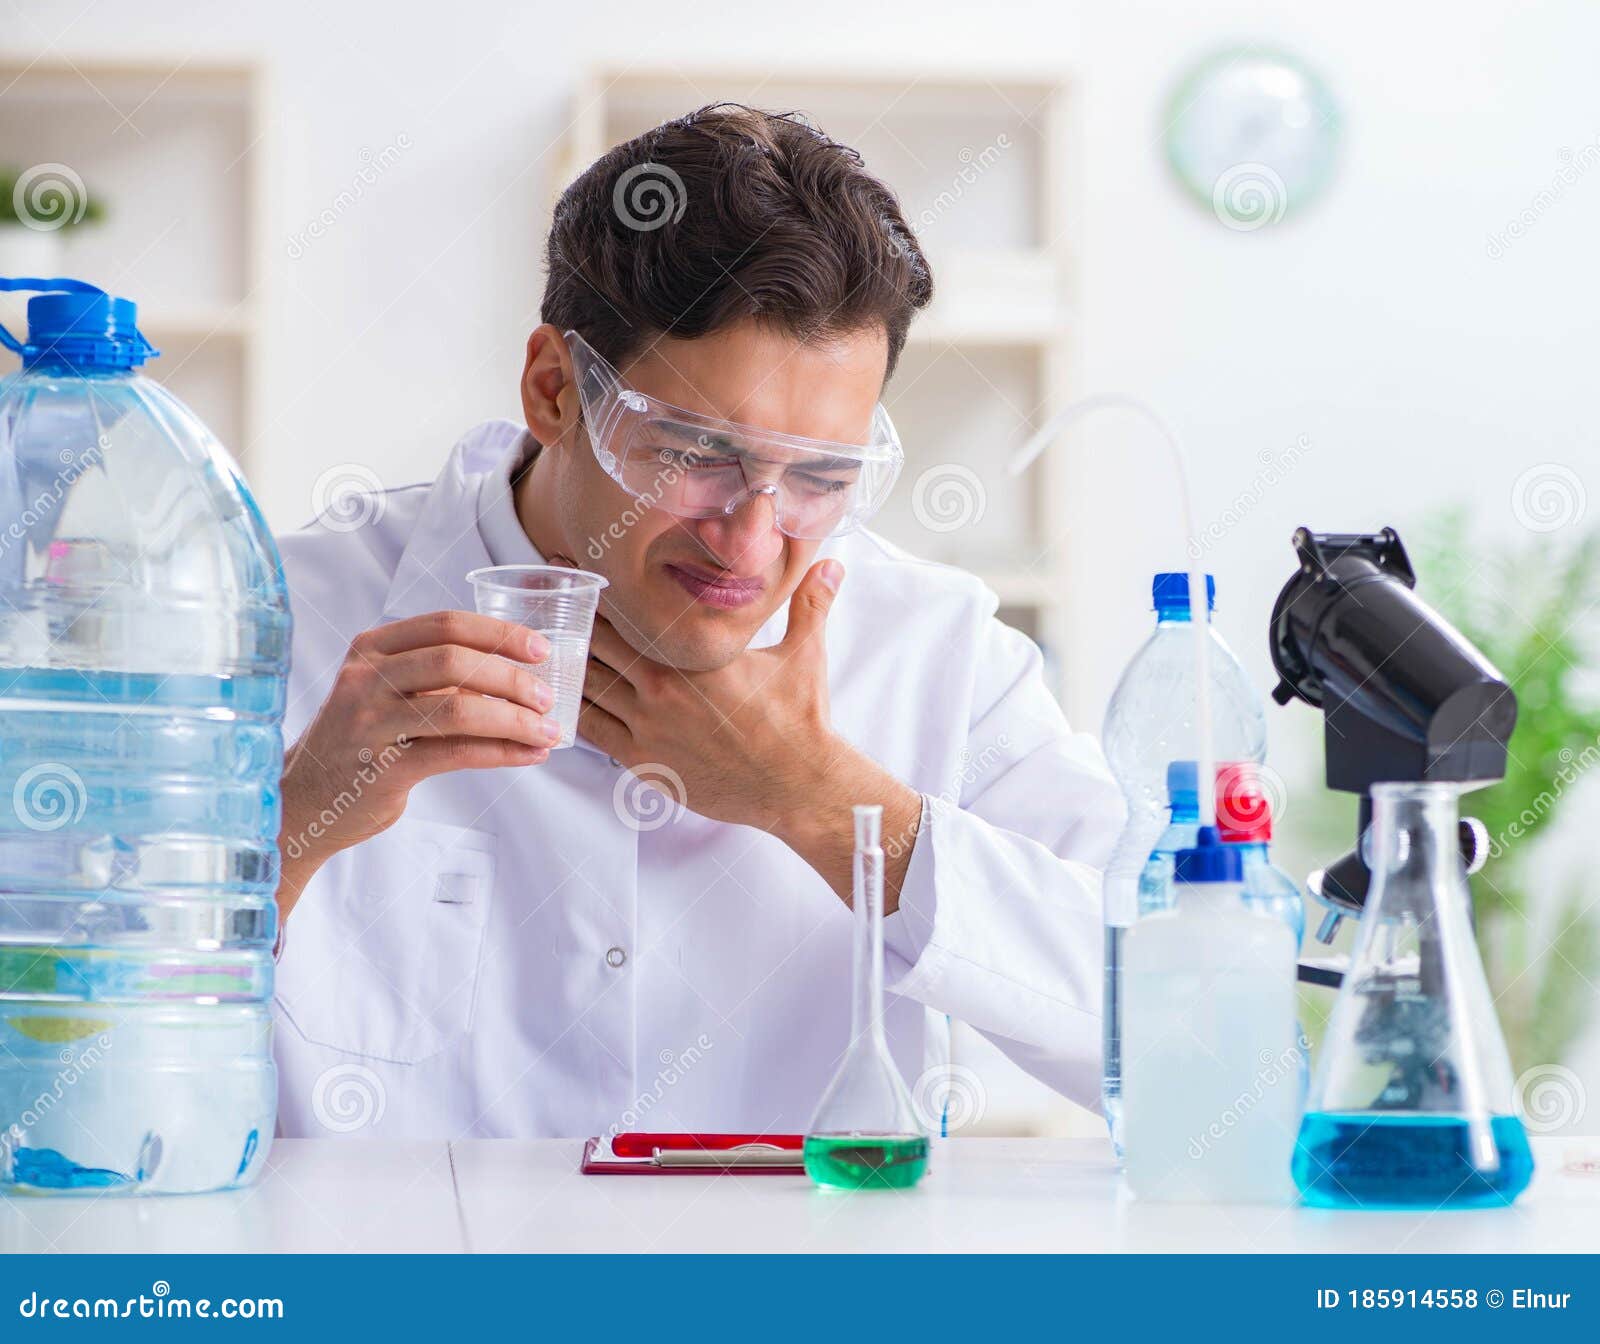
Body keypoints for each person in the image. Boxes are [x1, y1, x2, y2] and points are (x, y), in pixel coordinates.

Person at [271, 104, 1123, 1138]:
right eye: (692, 457)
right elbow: (58, 1080)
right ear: (553, 389)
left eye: (820, 476)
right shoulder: (286, 621)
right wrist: (290, 820)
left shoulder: (935, 653)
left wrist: (824, 801)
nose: (750, 543)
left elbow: (1186, 1050)